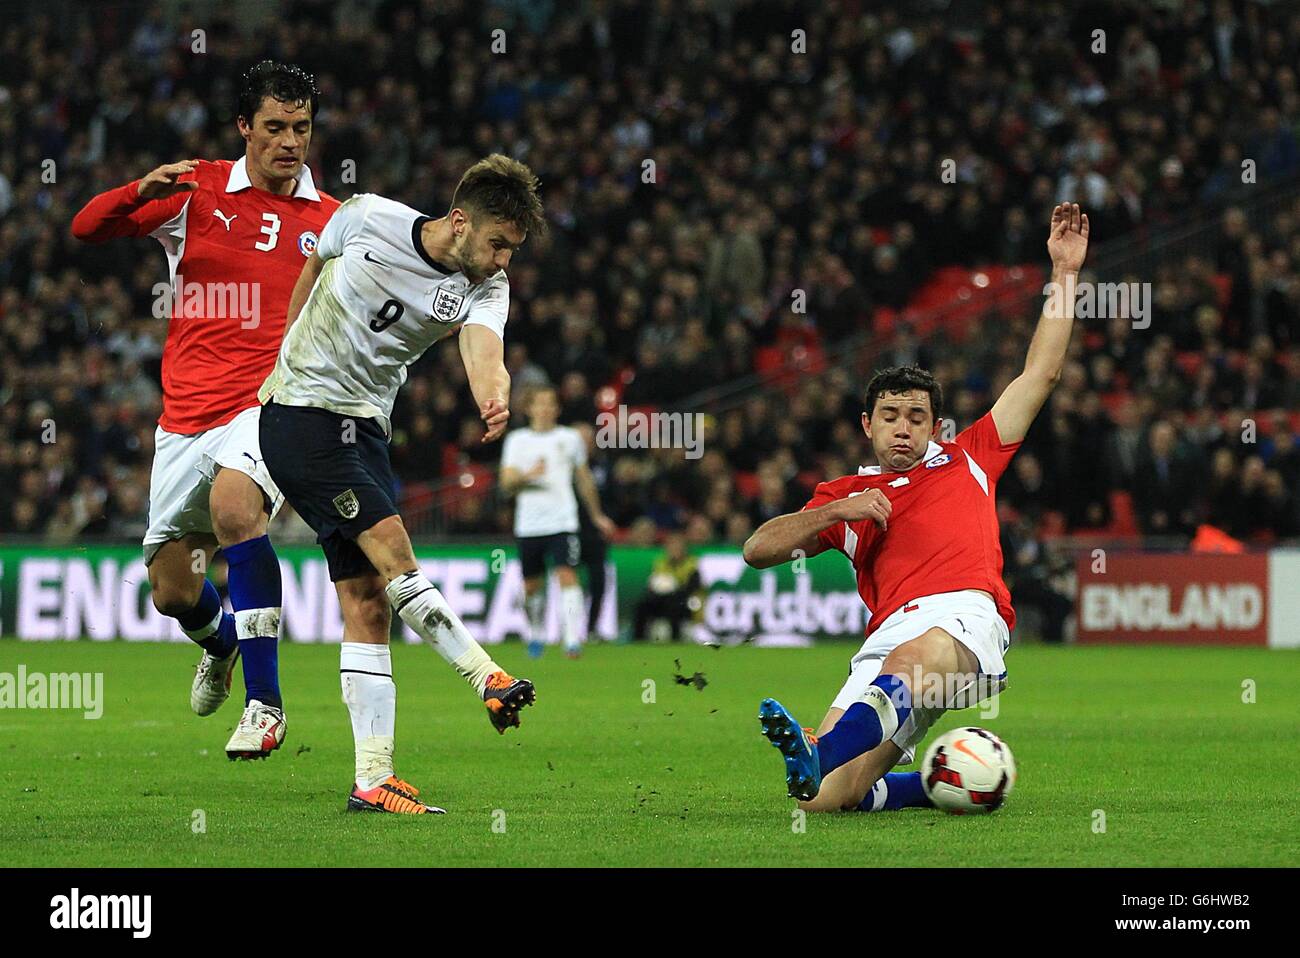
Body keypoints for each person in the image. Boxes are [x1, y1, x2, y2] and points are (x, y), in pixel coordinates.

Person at [747, 204, 1090, 813]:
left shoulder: (971, 457)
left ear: (935, 425)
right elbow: (758, 551)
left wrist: (1064, 271)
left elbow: (1042, 373)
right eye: (890, 416)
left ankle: (818, 749)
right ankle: (944, 786)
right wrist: (835, 513)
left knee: (902, 671)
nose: (903, 429)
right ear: (866, 424)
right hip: (886, 641)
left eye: (916, 418)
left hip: (961, 618)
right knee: (825, 801)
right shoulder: (843, 498)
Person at [257, 155, 544, 814]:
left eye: (513, 249)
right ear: (461, 220)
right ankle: (488, 677)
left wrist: (493, 393)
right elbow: (312, 266)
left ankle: (372, 778)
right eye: (497, 243)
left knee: (367, 601)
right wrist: (281, 360)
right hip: (303, 415)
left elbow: (483, 350)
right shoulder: (364, 217)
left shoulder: (484, 286)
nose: (502, 260)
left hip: (366, 431)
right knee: (396, 556)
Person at [70, 62, 339, 759]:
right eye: (275, 127)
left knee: (234, 508)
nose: (290, 142)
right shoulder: (200, 188)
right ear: (245, 126)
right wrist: (139, 189)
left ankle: (265, 705)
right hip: (185, 416)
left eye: (302, 128)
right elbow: (84, 228)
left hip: (267, 406)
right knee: (170, 589)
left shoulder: (333, 221)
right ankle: (220, 643)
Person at [499, 386, 616, 658]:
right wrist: (528, 475)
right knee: (531, 586)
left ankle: (572, 640)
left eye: (551, 403)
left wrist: (596, 515)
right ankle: (537, 632)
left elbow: (583, 478)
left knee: (567, 574)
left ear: (557, 409)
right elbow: (506, 483)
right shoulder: (517, 441)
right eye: (540, 403)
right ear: (529, 409)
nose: (546, 409)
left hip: (563, 521)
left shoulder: (570, 438)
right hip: (529, 524)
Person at [632, 531, 703, 642]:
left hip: (683, 601)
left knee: (675, 604)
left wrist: (674, 587)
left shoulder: (692, 564)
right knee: (642, 604)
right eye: (672, 545)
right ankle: (638, 639)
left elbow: (692, 588)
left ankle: (675, 639)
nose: (674, 549)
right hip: (661, 599)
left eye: (677, 546)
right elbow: (653, 583)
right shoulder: (660, 562)